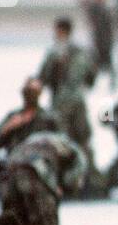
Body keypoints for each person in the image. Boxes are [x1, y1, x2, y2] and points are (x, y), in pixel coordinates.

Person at [0, 131, 87, 225]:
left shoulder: (48, 140)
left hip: (9, 170)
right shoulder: (78, 155)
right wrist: (59, 190)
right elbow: (70, 180)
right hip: (34, 170)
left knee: (13, 224)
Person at [37, 18, 97, 159]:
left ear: (61, 31)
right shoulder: (83, 52)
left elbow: (43, 78)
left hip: (60, 103)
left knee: (60, 140)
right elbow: (91, 78)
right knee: (83, 139)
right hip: (78, 100)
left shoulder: (54, 52)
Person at [0, 78, 61, 152]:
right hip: (14, 159)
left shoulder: (48, 118)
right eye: (28, 91)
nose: (30, 95)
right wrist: (8, 127)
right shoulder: (13, 116)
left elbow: (61, 143)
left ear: (39, 93)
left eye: (34, 91)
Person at [81, 0, 117, 90]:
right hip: (100, 42)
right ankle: (91, 83)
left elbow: (107, 29)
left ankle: (93, 83)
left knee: (101, 63)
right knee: (97, 64)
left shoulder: (104, 11)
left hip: (103, 42)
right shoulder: (101, 10)